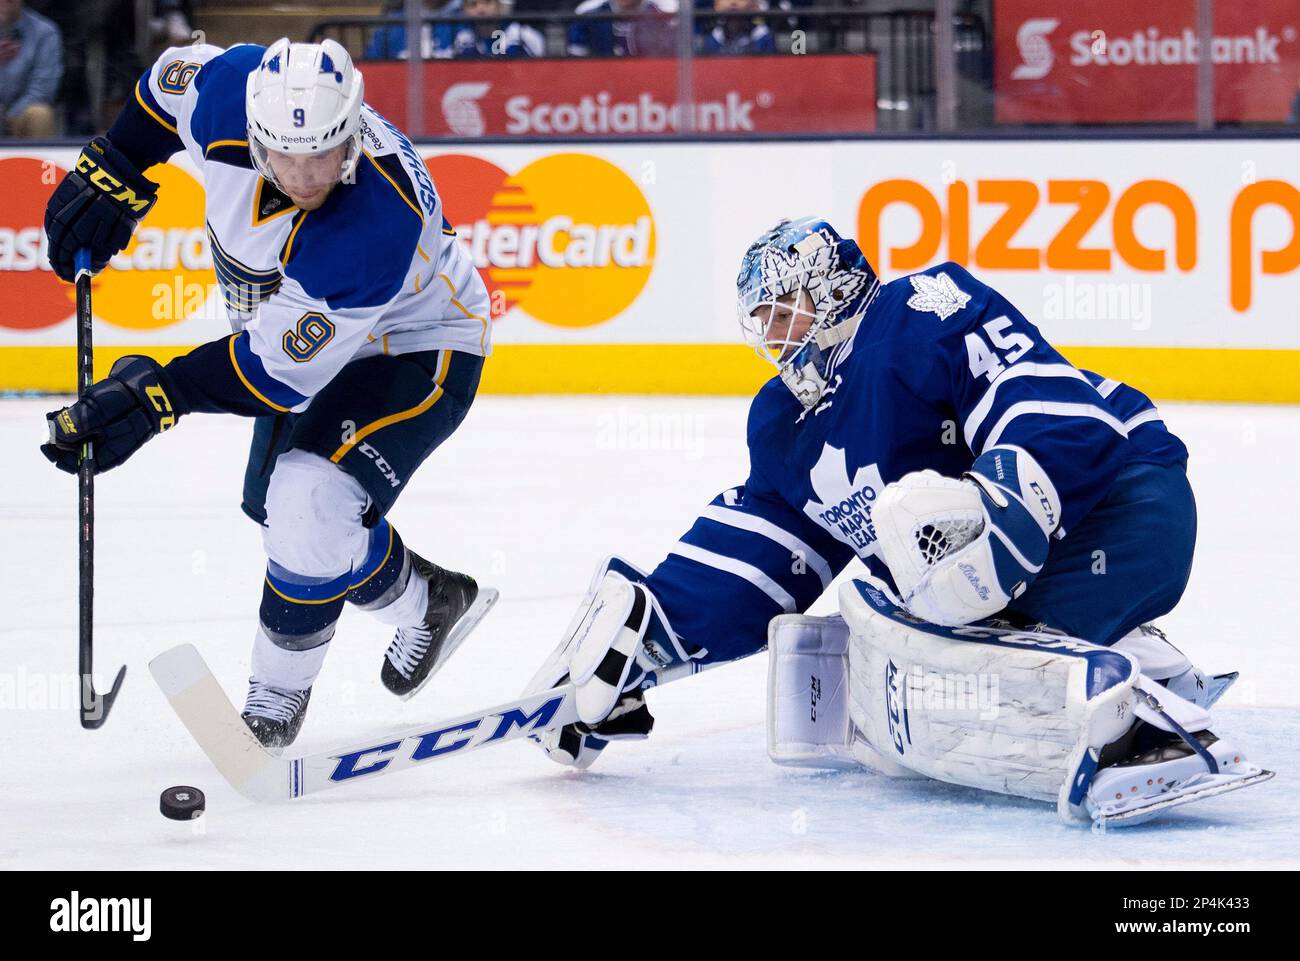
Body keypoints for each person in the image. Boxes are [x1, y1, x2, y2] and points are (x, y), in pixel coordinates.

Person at [521, 217, 1270, 825]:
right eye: (763, 322)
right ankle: (1130, 656)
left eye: (788, 312)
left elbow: (1059, 412)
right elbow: (764, 550)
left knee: (925, 607)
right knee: (893, 605)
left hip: (1121, 500)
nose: (776, 337)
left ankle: (1140, 729)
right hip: (1023, 556)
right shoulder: (785, 421)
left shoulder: (919, 311)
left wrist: (998, 504)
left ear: (839, 287)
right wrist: (647, 637)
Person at [41, 38, 497, 748]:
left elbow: (268, 374)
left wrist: (159, 396)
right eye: (285, 154)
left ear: (350, 130)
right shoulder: (226, 89)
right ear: (254, 127)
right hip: (294, 332)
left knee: (307, 501)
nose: (305, 174)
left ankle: (273, 699)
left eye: (324, 153)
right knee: (288, 523)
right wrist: (114, 166)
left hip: (417, 342)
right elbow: (167, 81)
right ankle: (429, 600)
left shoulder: (373, 224)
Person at [0, 0, 62, 138]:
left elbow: (43, 88)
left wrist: (8, 117)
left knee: (40, 114)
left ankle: (42, 159)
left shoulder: (44, 32)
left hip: (22, 112)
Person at [567, 0, 675, 58]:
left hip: (647, 79)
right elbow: (576, 58)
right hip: (601, 80)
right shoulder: (587, 13)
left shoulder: (663, 12)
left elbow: (668, 59)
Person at [700, 0, 774, 55]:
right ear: (716, 5)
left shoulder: (762, 35)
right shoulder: (715, 36)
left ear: (754, 5)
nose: (733, 2)